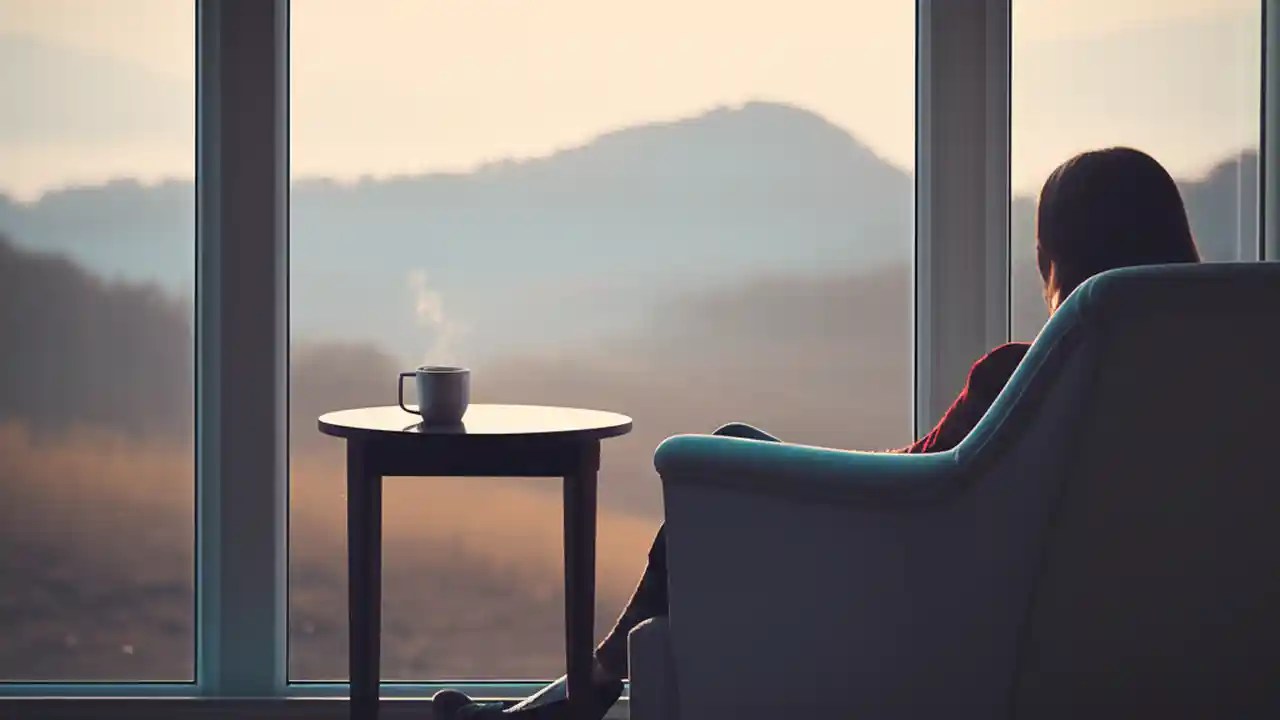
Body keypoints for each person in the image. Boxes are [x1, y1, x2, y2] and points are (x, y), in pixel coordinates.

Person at [432, 147, 1202, 719]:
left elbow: (925, 485)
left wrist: (780, 467)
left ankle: (589, 687)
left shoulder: (1026, 376)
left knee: (728, 450)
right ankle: (592, 682)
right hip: (1084, 636)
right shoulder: (1203, 401)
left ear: (1053, 257)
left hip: (909, 603)